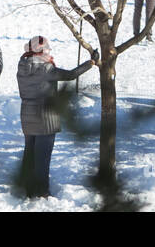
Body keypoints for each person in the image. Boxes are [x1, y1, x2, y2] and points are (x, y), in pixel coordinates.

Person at [16, 36, 96, 196]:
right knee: (42, 159)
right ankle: (41, 191)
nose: (49, 51)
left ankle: (27, 188)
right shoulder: (46, 69)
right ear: (40, 51)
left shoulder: (22, 66)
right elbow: (71, 75)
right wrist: (91, 63)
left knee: (30, 155)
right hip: (45, 119)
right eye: (47, 49)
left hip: (27, 116)